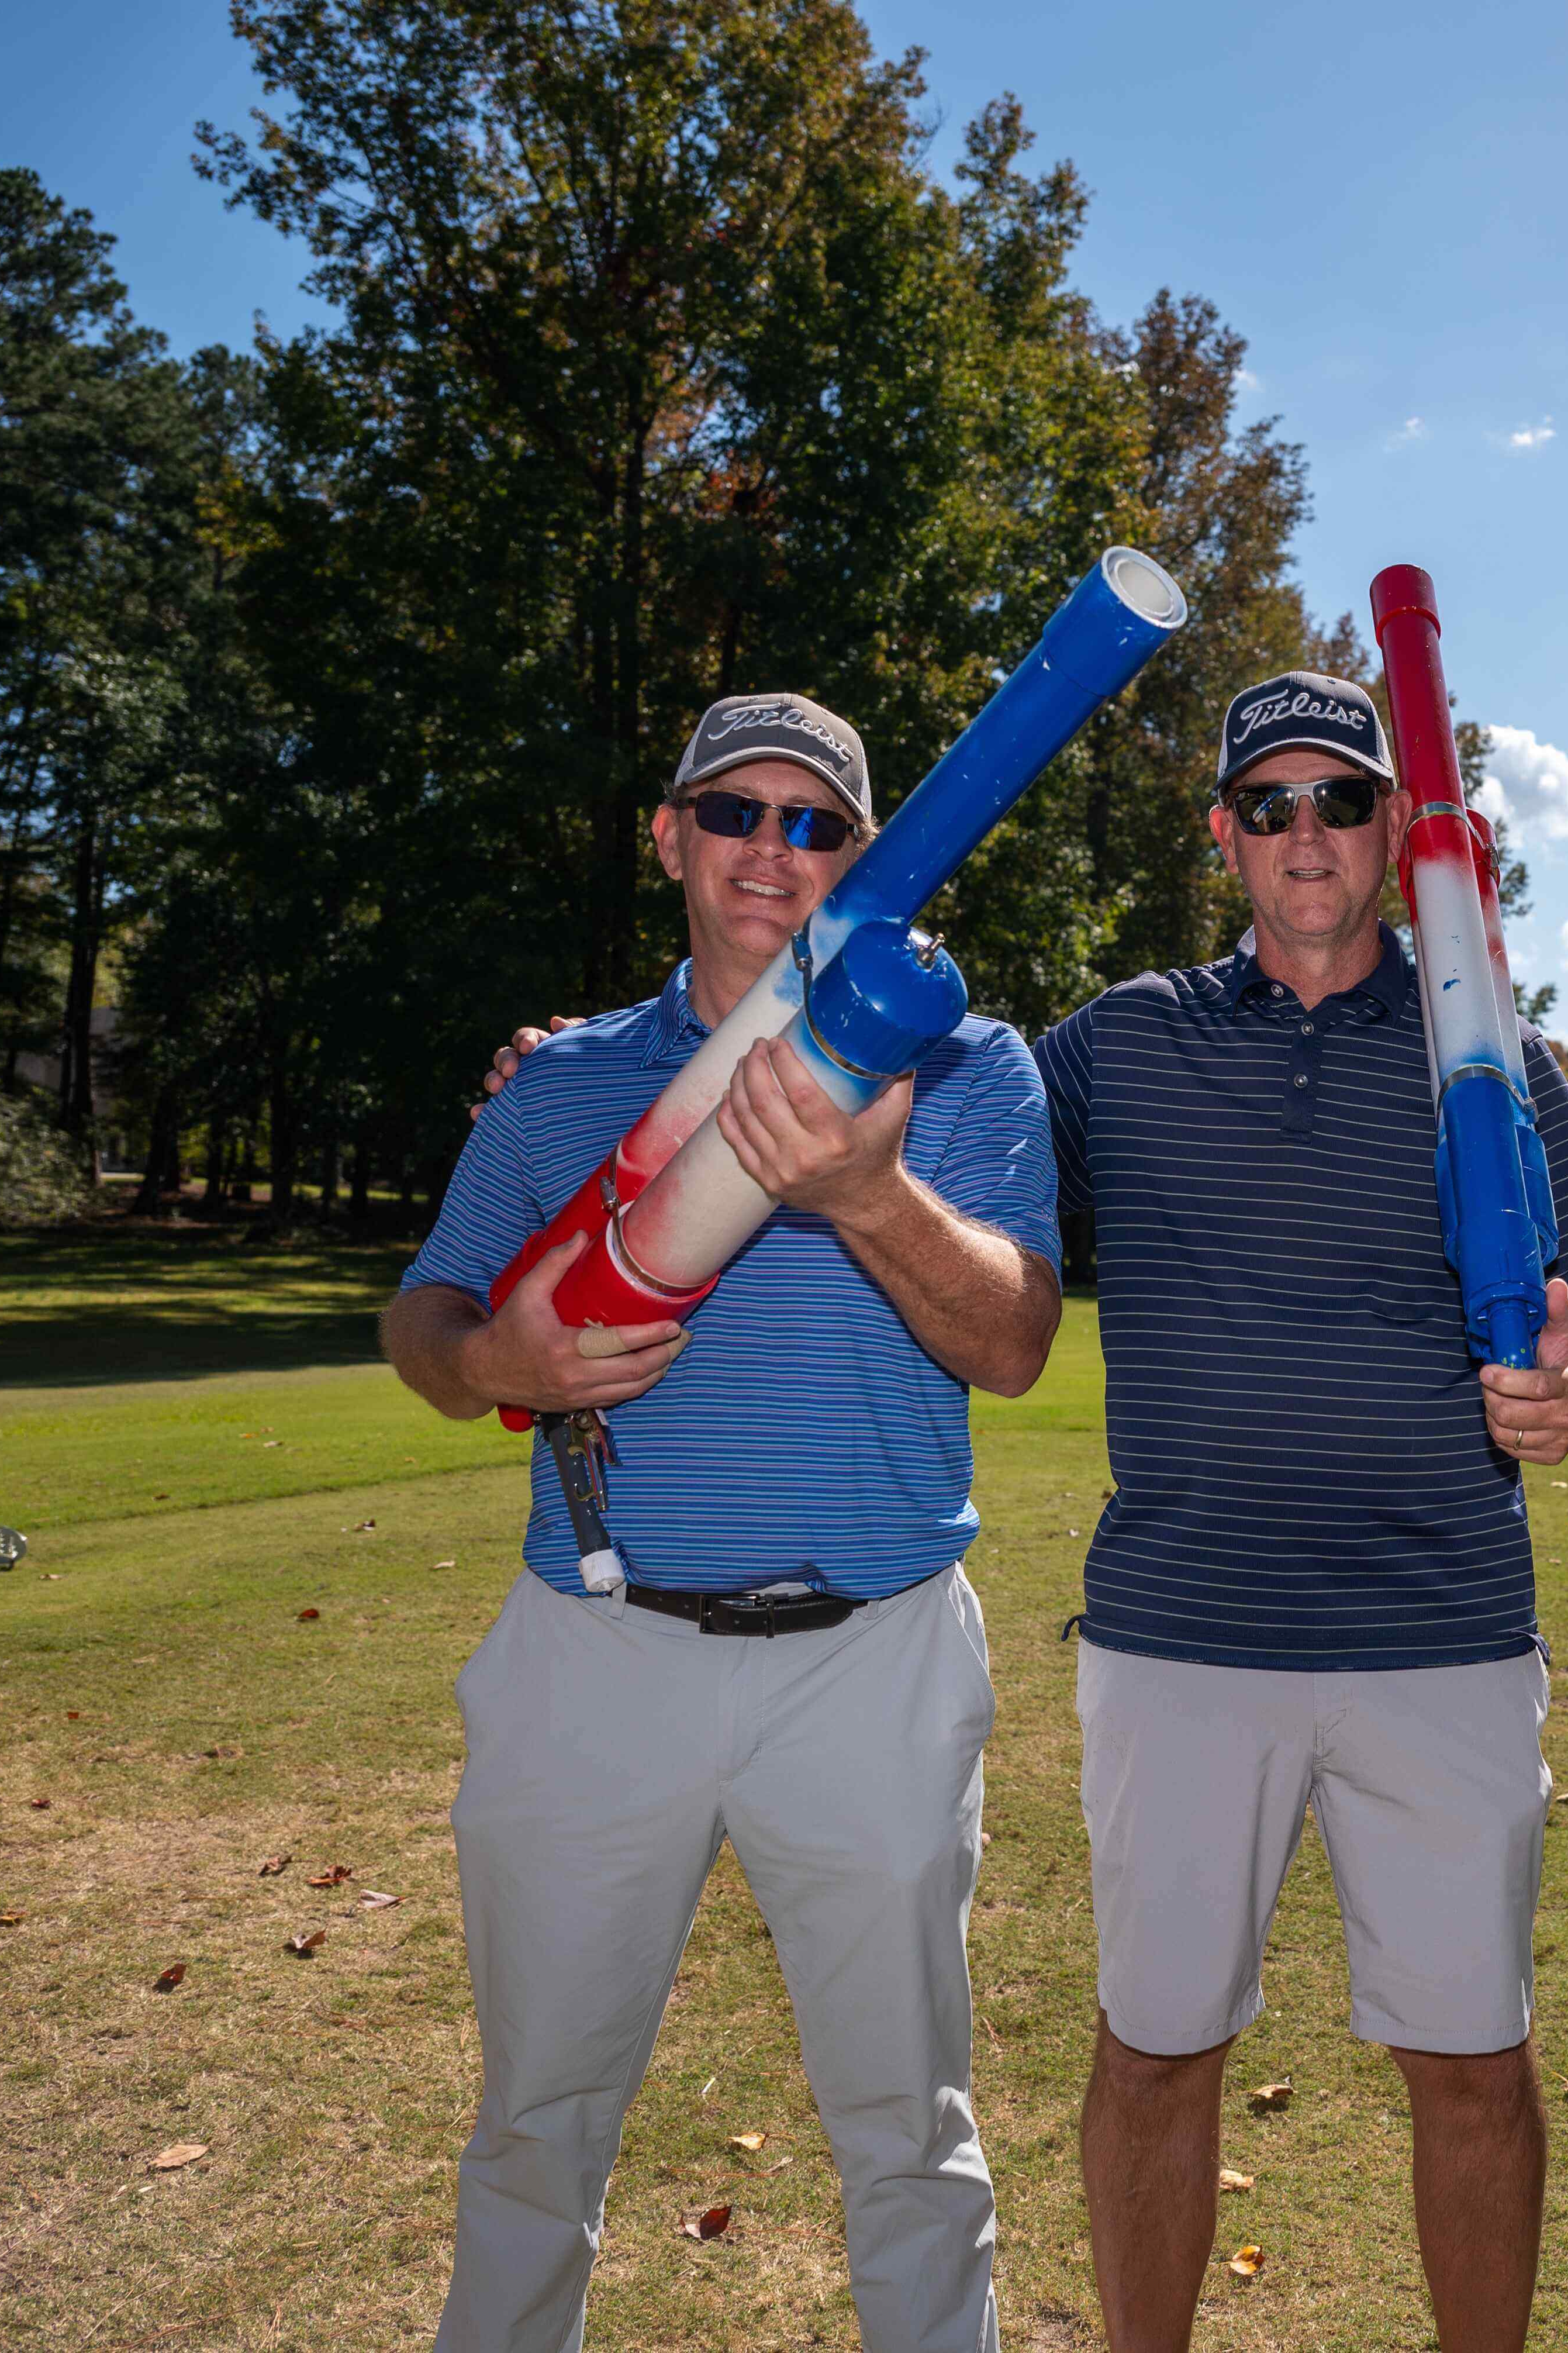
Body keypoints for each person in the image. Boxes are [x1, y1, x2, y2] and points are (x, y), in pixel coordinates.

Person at [386, 691, 1061, 2353]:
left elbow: (1013, 1345)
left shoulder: (967, 1065)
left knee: (909, 2133)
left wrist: (866, 1191)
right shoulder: (562, 1081)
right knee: (537, 2121)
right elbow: (425, 1316)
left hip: (873, 1657)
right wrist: (496, 1362)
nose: (774, 849)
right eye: (737, 812)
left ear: (863, 861)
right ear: (672, 836)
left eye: (815, 824)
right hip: (595, 1648)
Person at [1047, 669, 1568, 2353]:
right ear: (1224, 835)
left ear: (1398, 827)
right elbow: (938, 1125)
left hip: (1441, 1637)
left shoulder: (1492, 1051)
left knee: (1471, 2065)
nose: (1304, 832)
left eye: (1340, 799)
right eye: (1270, 804)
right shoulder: (1126, 1042)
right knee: (1154, 2050)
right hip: (1182, 1638)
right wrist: (616, 1081)